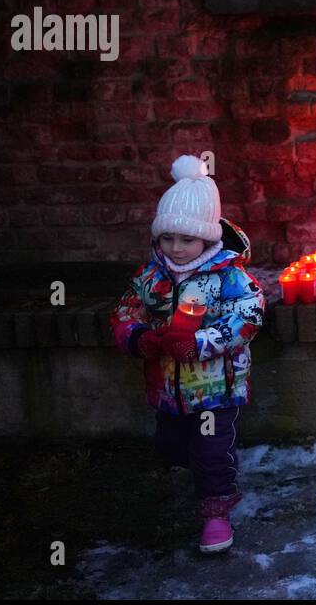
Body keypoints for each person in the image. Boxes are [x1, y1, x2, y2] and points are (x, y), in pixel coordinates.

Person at [109, 155, 266, 554]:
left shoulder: (229, 275)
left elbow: (248, 316)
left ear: (208, 238)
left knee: (212, 452)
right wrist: (140, 337)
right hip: (166, 388)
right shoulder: (151, 276)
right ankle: (200, 475)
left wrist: (201, 343)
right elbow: (126, 311)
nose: (176, 248)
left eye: (187, 239)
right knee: (173, 446)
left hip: (216, 388)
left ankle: (216, 515)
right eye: (167, 238)